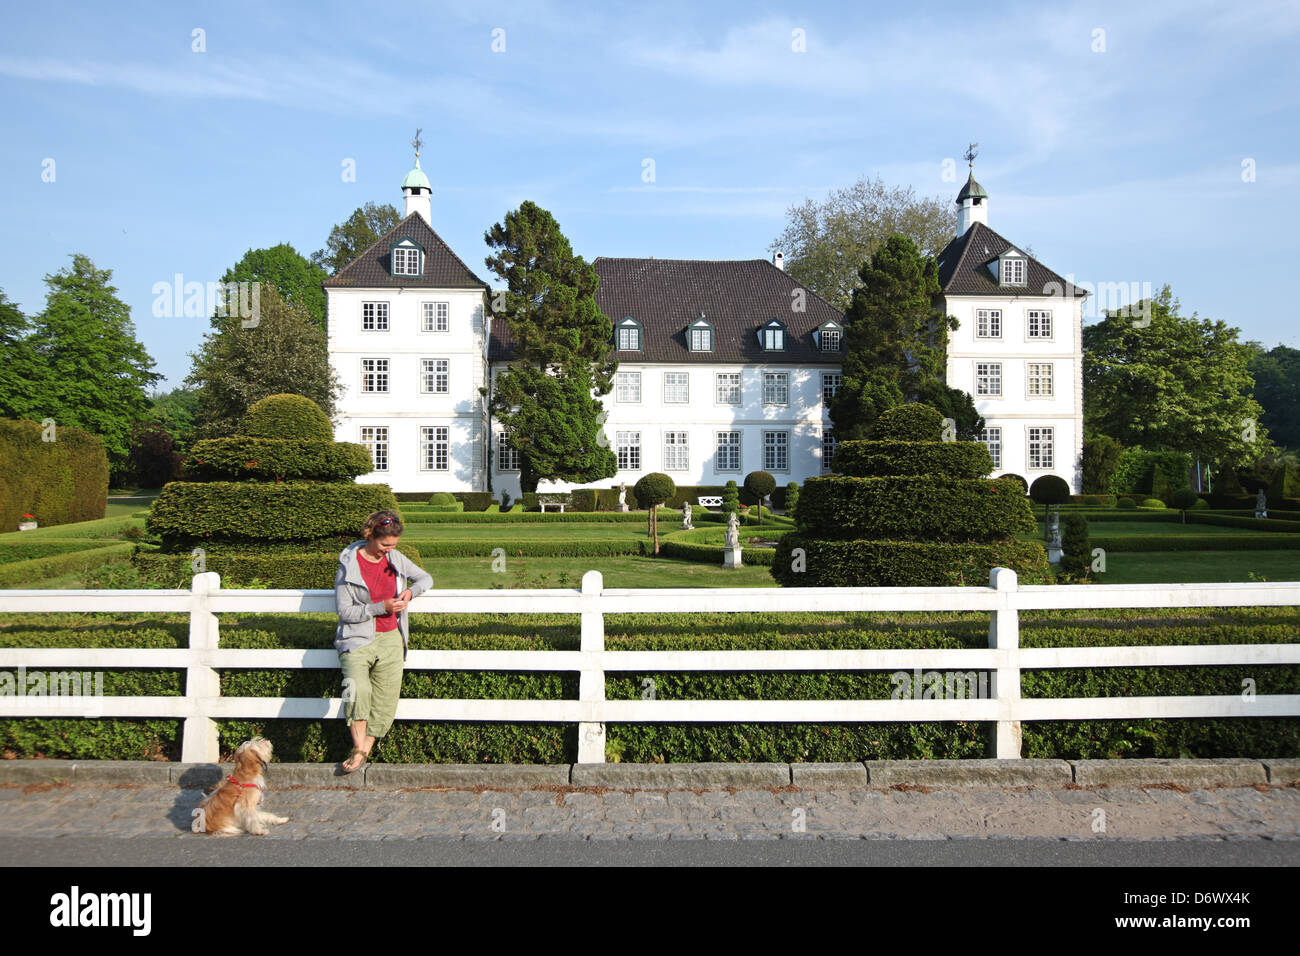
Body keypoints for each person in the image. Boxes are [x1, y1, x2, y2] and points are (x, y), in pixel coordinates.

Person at [334, 509, 433, 773]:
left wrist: (411, 592)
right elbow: (345, 612)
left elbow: (426, 578)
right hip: (356, 639)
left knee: (386, 699)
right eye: (384, 545)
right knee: (358, 691)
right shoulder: (348, 565)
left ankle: (362, 751)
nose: (388, 550)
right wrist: (381, 607)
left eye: (393, 545)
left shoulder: (395, 557)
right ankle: (357, 749)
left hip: (391, 638)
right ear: (370, 536)